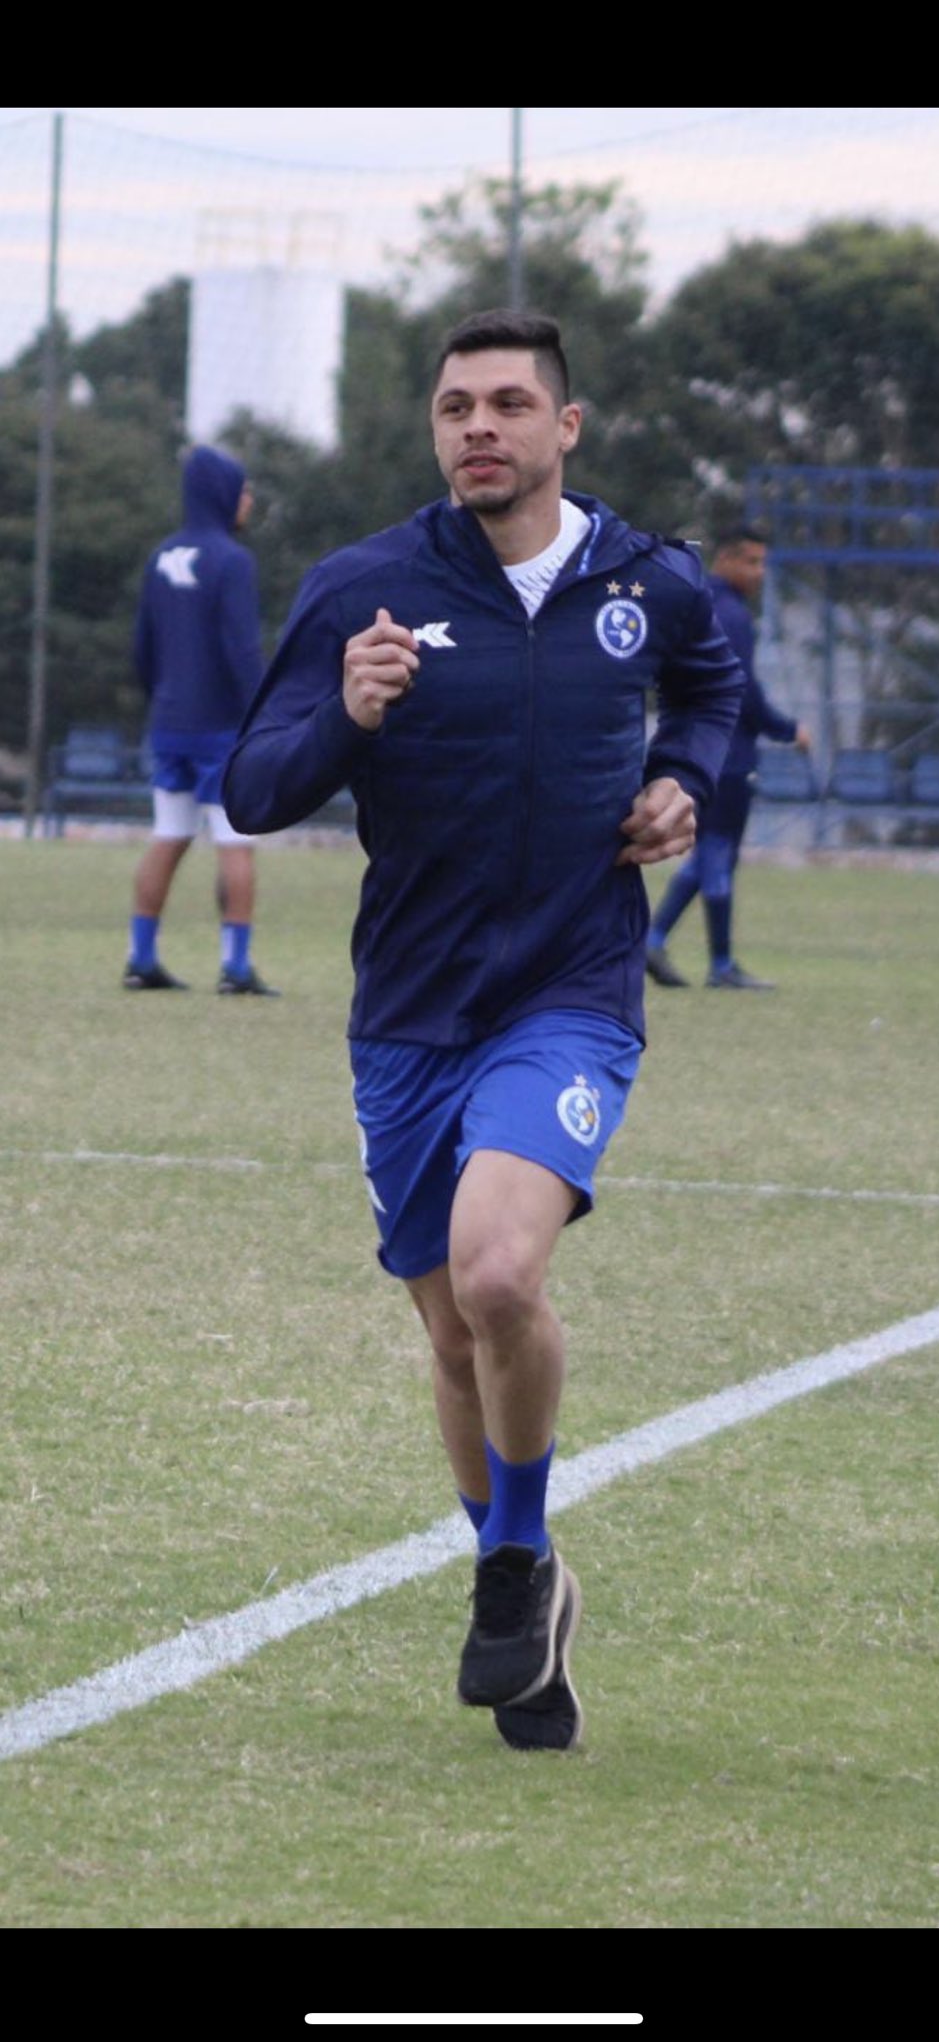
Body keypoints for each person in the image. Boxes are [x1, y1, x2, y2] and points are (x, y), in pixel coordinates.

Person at [223, 309, 744, 1751]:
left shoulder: (646, 582)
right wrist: (346, 714)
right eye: (455, 406)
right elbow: (253, 790)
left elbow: (712, 688)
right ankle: (522, 1591)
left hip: (567, 990)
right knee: (453, 1338)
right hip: (406, 1014)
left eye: (509, 404)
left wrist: (682, 777)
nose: (478, 428)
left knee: (498, 1274)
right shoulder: (364, 587)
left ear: (562, 428)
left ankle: (511, 1562)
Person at [123, 443, 279, 995]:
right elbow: (241, 651)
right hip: (221, 729)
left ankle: (141, 957)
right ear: (221, 494)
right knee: (235, 840)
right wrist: (263, 714)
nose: (248, 499)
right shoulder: (232, 561)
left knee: (169, 832)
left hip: (168, 724)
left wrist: (160, 699)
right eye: (242, 488)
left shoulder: (160, 555)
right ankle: (236, 968)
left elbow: (142, 648)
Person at [645, 526, 812, 990]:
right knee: (718, 854)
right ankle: (720, 965)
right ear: (727, 560)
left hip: (701, 748)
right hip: (730, 755)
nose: (760, 573)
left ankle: (654, 940)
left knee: (707, 857)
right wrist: (786, 729)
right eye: (753, 562)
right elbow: (741, 690)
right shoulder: (732, 615)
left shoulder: (698, 602)